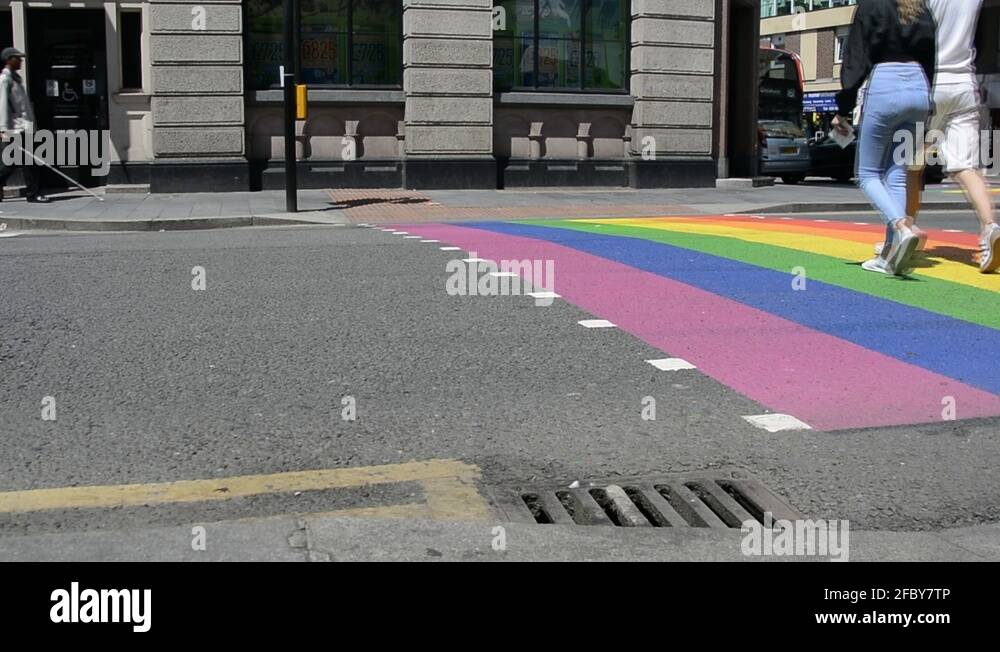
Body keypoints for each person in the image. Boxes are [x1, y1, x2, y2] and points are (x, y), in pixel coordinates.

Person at [894, 0, 1000, 273]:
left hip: (929, 83)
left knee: (912, 167)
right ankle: (990, 227)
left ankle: (906, 231)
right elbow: (984, 38)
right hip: (965, 84)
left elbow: (911, 30)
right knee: (965, 166)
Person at [832, 0, 936, 276]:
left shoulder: (871, 6)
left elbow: (856, 58)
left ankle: (902, 227)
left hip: (885, 84)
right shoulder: (921, 9)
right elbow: (930, 58)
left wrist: (843, 107)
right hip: (919, 88)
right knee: (898, 173)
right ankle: (891, 254)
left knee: (866, 173)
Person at [0, 47, 50, 203]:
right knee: (23, 162)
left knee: (20, 163)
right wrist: (2, 129)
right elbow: (2, 106)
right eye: (17, 58)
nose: (21, 61)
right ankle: (33, 194)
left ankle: (33, 193)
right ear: (9, 60)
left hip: (24, 127)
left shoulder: (16, 79)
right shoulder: (5, 79)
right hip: (15, 129)